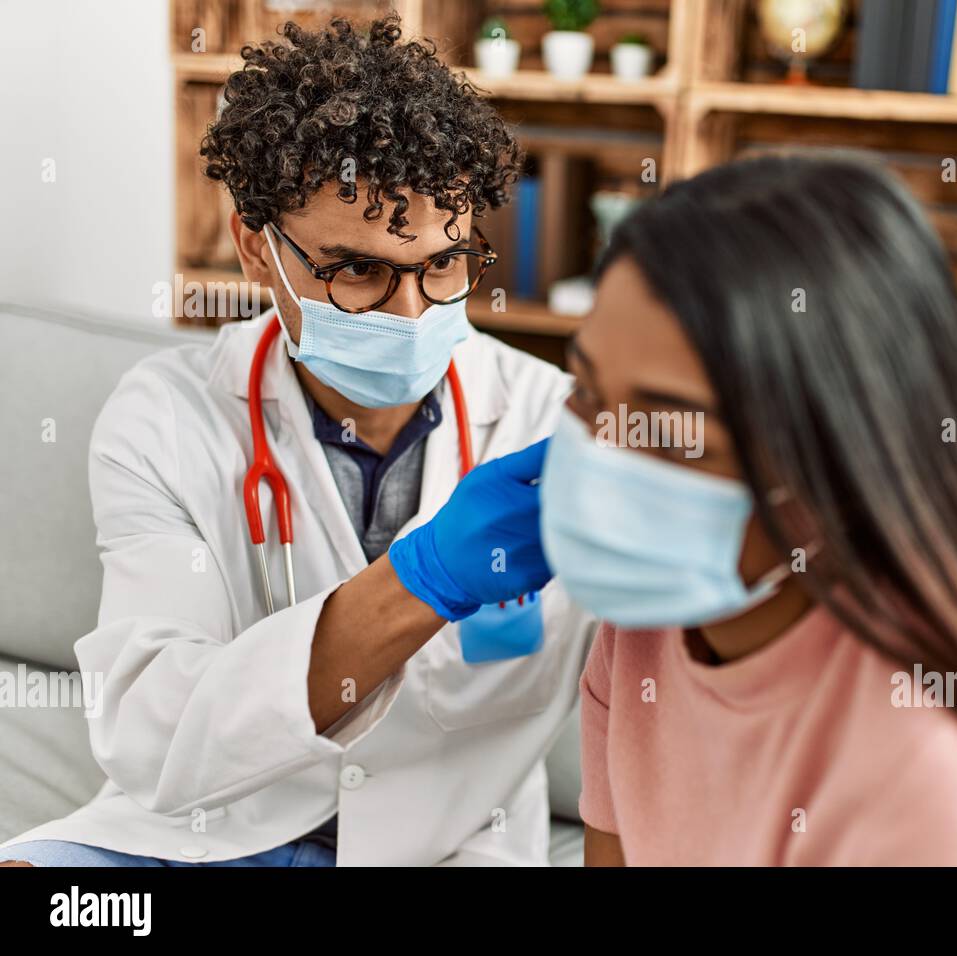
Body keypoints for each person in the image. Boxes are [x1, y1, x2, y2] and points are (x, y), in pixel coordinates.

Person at [1, 16, 591, 867]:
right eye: (358, 270)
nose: (411, 314)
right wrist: (419, 582)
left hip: (447, 849)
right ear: (254, 248)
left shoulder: (549, 419)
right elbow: (153, 738)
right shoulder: (167, 420)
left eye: (442, 264)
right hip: (211, 834)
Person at [541, 152, 957, 866]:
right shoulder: (649, 629)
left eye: (671, 432)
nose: (604, 456)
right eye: (586, 393)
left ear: (839, 460)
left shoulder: (950, 785)